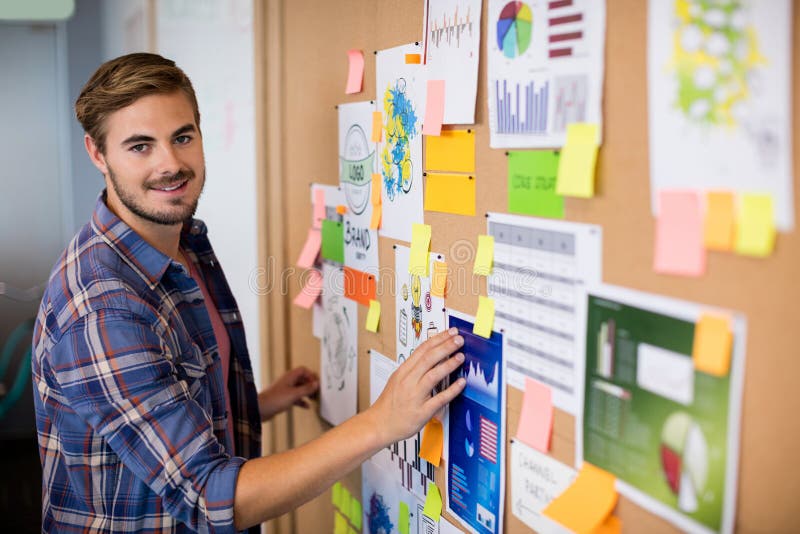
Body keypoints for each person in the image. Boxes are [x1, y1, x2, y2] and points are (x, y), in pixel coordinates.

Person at [31, 53, 467, 533]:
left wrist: (254, 403)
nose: (170, 164)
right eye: (140, 147)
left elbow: (151, 412)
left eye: (182, 137)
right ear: (97, 153)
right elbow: (208, 496)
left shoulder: (183, 241)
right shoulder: (103, 307)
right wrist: (381, 422)